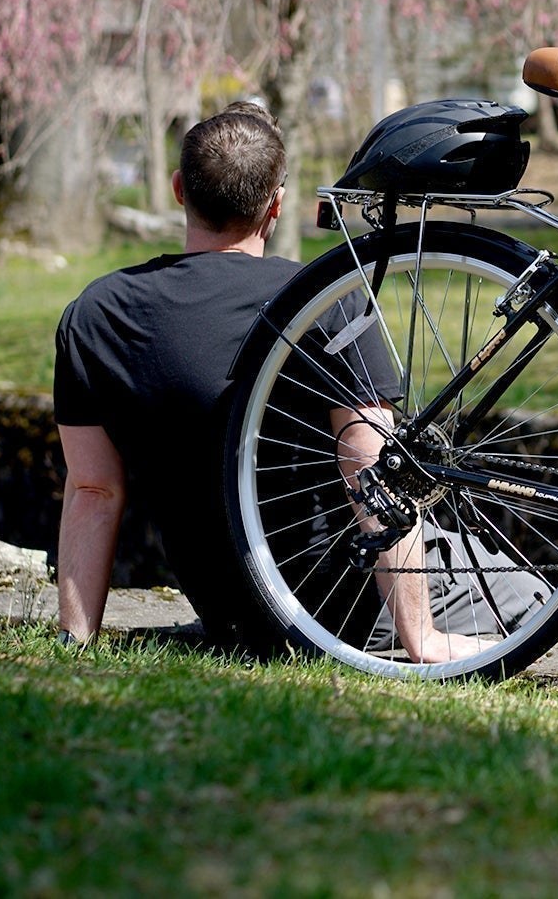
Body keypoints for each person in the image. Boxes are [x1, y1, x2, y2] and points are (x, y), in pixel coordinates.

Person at [52, 101, 489, 660]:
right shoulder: (323, 298)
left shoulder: (97, 315)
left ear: (179, 188)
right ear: (276, 205)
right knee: (529, 594)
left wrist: (76, 639)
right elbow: (372, 464)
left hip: (231, 609)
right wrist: (419, 635)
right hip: (347, 609)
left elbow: (93, 490)